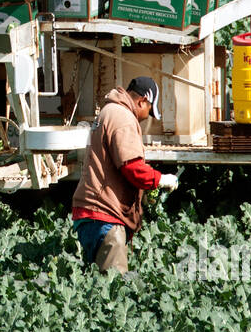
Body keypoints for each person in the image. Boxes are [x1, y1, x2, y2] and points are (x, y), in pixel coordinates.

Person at [71, 77, 179, 274]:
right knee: (113, 291)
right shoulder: (123, 118)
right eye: (148, 111)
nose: (146, 117)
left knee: (94, 290)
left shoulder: (109, 111)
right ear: (142, 101)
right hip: (104, 216)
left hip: (90, 216)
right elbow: (133, 168)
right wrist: (161, 179)